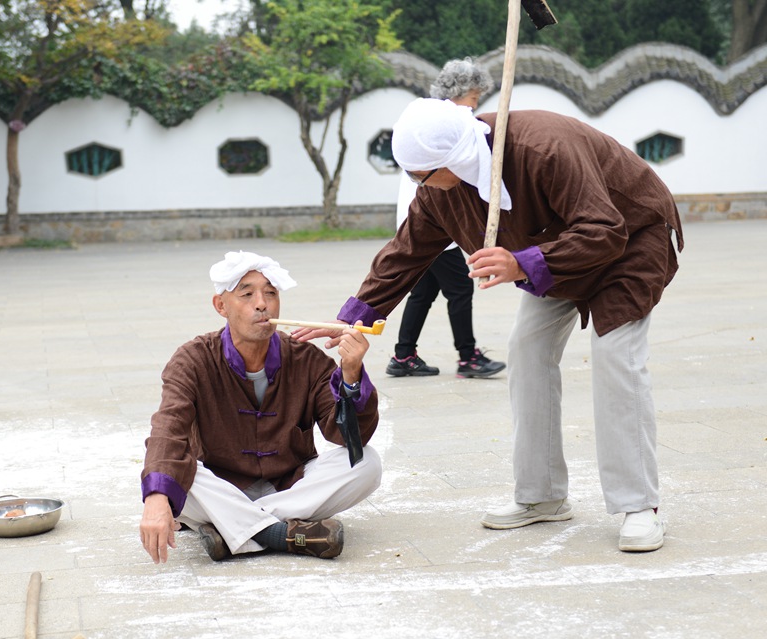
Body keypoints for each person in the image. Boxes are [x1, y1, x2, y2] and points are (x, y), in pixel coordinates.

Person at [298, 100, 683, 552]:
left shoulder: (545, 147)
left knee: (616, 356)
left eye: (420, 176)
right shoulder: (440, 189)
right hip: (553, 258)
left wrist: (520, 263)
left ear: (452, 159)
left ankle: (639, 506)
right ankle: (542, 495)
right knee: (527, 351)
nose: (418, 186)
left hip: (629, 241)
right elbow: (405, 253)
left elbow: (604, 228)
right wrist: (353, 319)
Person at [138, 251, 382, 564]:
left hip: (289, 486)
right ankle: (278, 533)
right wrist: (157, 498)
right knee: (174, 474)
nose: (262, 304)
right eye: (247, 294)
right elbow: (168, 429)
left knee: (367, 463)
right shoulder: (193, 359)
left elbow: (346, 436)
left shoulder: (306, 358)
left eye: (271, 293)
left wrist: (351, 374)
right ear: (221, 306)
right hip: (220, 486)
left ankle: (233, 529)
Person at [387, 58, 505, 380]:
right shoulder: (446, 125)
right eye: (474, 98)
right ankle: (468, 357)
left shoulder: (428, 118)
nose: (475, 106)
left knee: (423, 292)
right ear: (460, 92)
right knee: (460, 289)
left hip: (420, 221)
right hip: (432, 224)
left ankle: (403, 355)